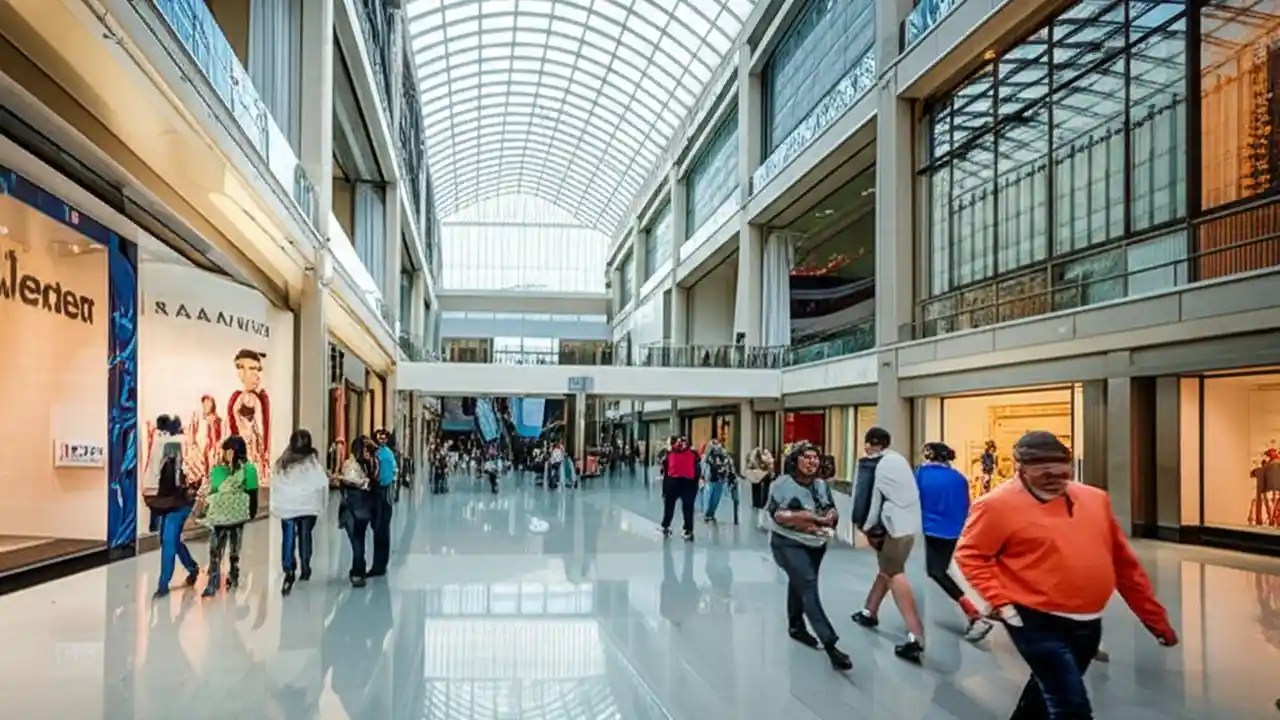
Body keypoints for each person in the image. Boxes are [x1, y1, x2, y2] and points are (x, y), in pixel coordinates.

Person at [956, 431, 1178, 720]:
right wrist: (1002, 604)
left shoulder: (1095, 499)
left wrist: (1154, 619)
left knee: (1047, 689)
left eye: (1060, 463)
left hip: (1087, 620)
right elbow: (970, 555)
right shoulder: (996, 505)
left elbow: (1124, 564)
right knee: (1070, 706)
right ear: (1019, 467)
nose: (1052, 472)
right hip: (1032, 619)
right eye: (1039, 465)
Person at [766, 442, 853, 671]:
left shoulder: (820, 485)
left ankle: (796, 626)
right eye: (806, 457)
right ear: (796, 460)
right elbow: (779, 515)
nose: (812, 462)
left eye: (815, 457)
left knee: (799, 584)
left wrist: (829, 517)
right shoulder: (781, 484)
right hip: (787, 544)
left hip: (815, 545)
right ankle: (830, 644)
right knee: (807, 584)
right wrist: (811, 519)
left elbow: (830, 509)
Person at [851, 426, 927, 663]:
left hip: (893, 528)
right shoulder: (899, 460)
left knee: (894, 574)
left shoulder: (879, 465)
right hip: (909, 526)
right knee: (886, 569)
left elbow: (874, 500)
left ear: (870, 443)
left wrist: (865, 526)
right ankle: (869, 611)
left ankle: (916, 636)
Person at [916, 441, 993, 642]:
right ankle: (978, 608)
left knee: (935, 572)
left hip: (928, 529)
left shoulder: (921, 474)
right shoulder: (959, 478)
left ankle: (974, 612)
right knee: (942, 570)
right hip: (953, 531)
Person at [143, 414, 199, 598]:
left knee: (168, 539)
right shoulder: (178, 443)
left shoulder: (164, 443)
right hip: (175, 498)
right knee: (171, 539)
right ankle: (192, 567)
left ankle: (163, 584)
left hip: (172, 499)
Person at [270, 429, 328, 596]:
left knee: (288, 537)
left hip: (288, 507)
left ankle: (288, 568)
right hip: (308, 507)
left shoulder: (283, 462)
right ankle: (305, 566)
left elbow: (277, 483)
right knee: (305, 535)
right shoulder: (311, 461)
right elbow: (321, 482)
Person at [201, 435, 257, 596]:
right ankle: (222, 578)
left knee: (225, 550)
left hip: (229, 517)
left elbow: (251, 492)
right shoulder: (223, 469)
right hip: (228, 516)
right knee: (224, 549)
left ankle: (225, 578)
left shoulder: (244, 470)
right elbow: (251, 494)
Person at [339, 435, 379, 587]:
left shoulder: (351, 465)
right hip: (365, 509)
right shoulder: (371, 465)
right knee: (359, 539)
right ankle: (359, 568)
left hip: (352, 508)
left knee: (356, 541)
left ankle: (357, 571)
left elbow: (346, 484)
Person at [659, 436, 701, 541]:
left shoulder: (670, 453)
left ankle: (666, 525)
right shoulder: (693, 453)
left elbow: (665, 470)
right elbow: (697, 468)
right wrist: (695, 483)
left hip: (672, 482)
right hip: (688, 483)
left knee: (669, 505)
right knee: (688, 507)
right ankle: (688, 529)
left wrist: (664, 489)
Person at [371, 428, 397, 577]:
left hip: (382, 495)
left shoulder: (382, 455)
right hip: (386, 495)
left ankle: (378, 566)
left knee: (380, 531)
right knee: (383, 531)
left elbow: (384, 477)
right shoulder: (388, 454)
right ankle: (381, 564)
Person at [702, 438, 735, 523]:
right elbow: (704, 467)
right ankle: (707, 514)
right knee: (708, 498)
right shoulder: (706, 457)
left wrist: (729, 477)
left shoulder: (724, 456)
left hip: (719, 479)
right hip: (710, 479)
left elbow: (729, 465)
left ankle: (711, 513)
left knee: (715, 499)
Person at [746, 446, 776, 530]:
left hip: (758, 474)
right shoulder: (763, 457)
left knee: (757, 488)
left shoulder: (754, 456)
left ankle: (757, 503)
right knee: (764, 489)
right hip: (763, 474)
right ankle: (762, 503)